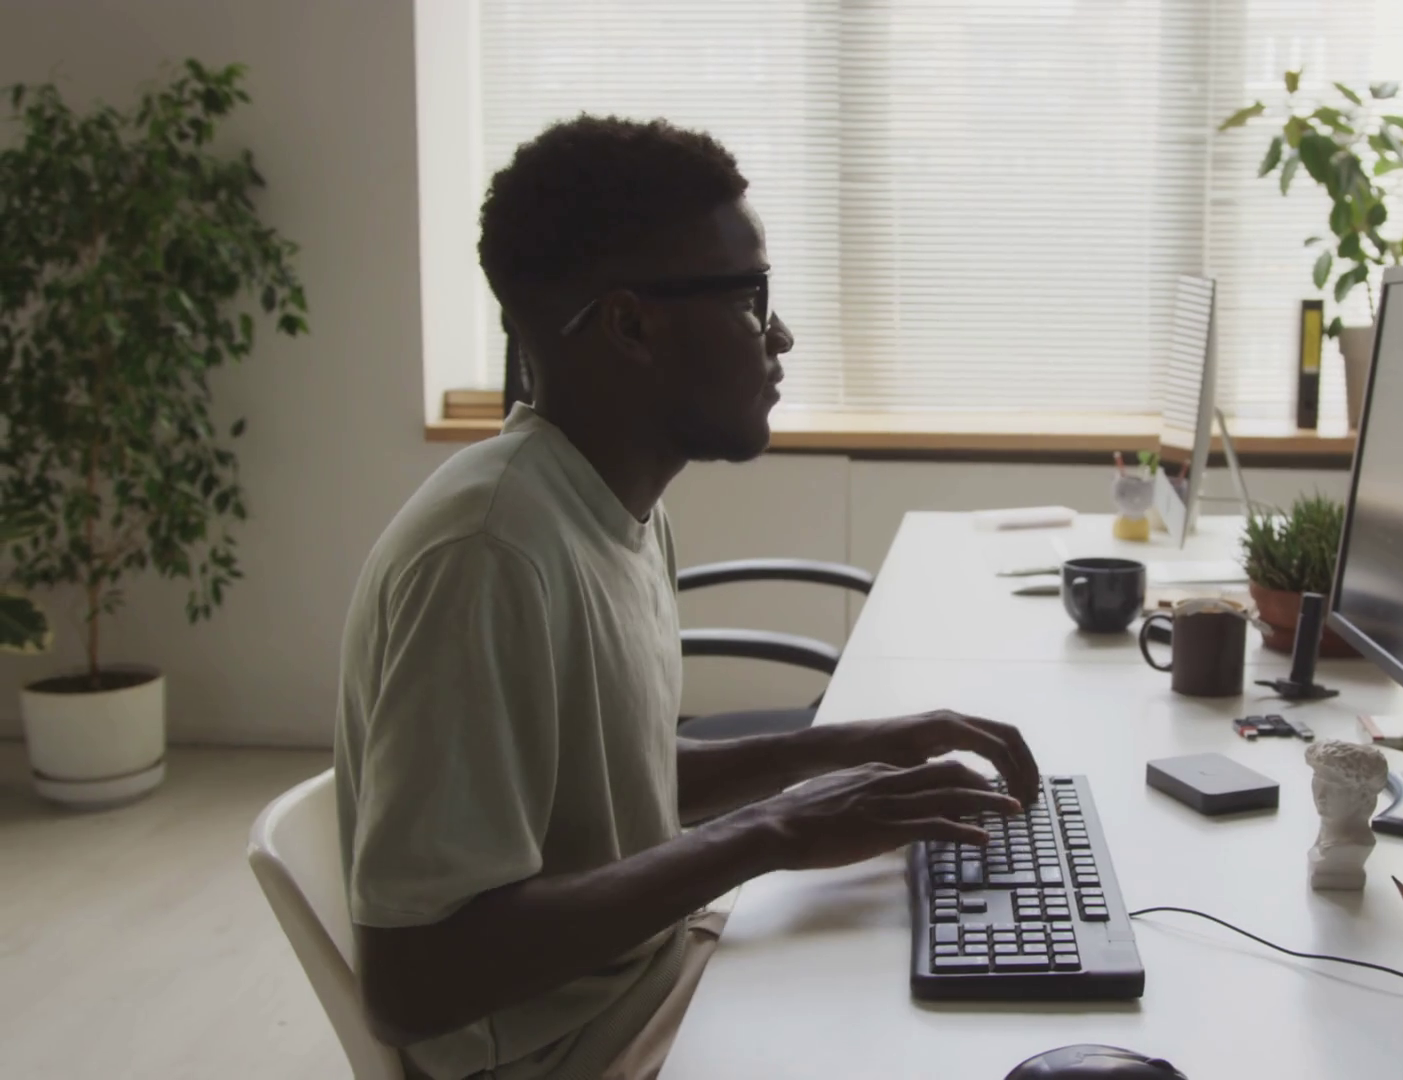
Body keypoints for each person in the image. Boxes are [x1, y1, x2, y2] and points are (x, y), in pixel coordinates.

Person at [334, 116, 1039, 1080]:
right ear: (631, 325)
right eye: (752, 298)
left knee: (950, 969)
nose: (780, 333)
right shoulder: (488, 554)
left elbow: (607, 787)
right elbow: (415, 980)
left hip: (647, 979)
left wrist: (845, 750)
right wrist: (776, 830)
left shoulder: (607, 504)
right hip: (577, 1052)